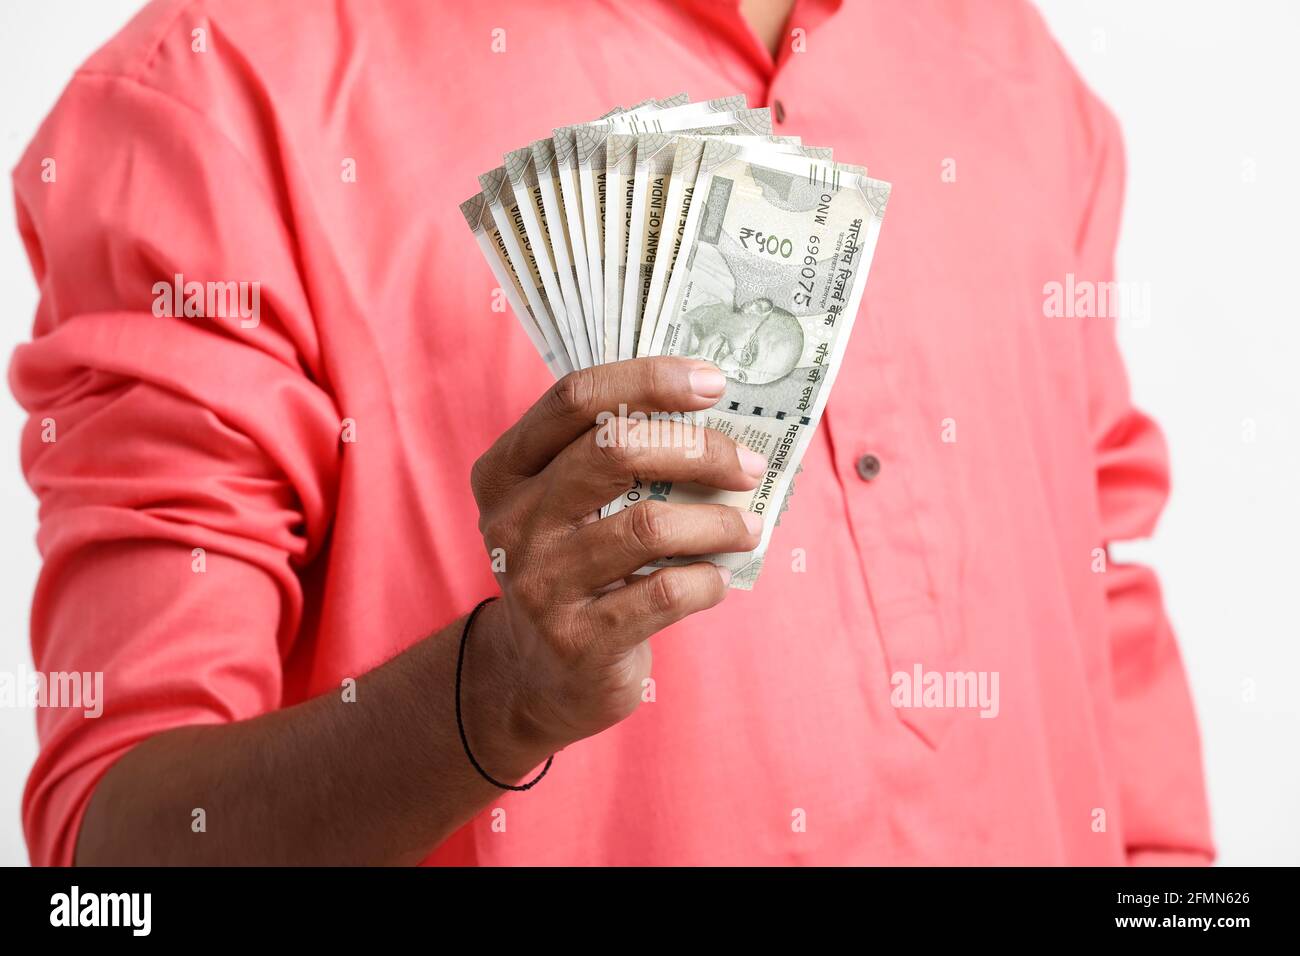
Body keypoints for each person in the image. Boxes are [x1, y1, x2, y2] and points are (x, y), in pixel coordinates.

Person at [10, 0, 1213, 865]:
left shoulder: (1010, 64)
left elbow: (1101, 602)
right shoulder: (217, 97)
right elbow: (109, 863)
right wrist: (496, 696)